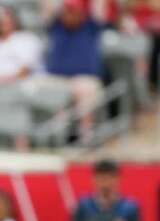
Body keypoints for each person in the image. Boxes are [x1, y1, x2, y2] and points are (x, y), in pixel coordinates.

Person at [39, 0, 105, 140]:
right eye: (67, 11)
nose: (70, 15)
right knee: (49, 90)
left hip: (84, 78)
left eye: (74, 11)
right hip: (56, 78)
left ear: (82, 14)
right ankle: (57, 138)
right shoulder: (55, 26)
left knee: (87, 89)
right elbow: (47, 7)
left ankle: (86, 135)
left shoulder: (91, 26)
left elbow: (99, 7)